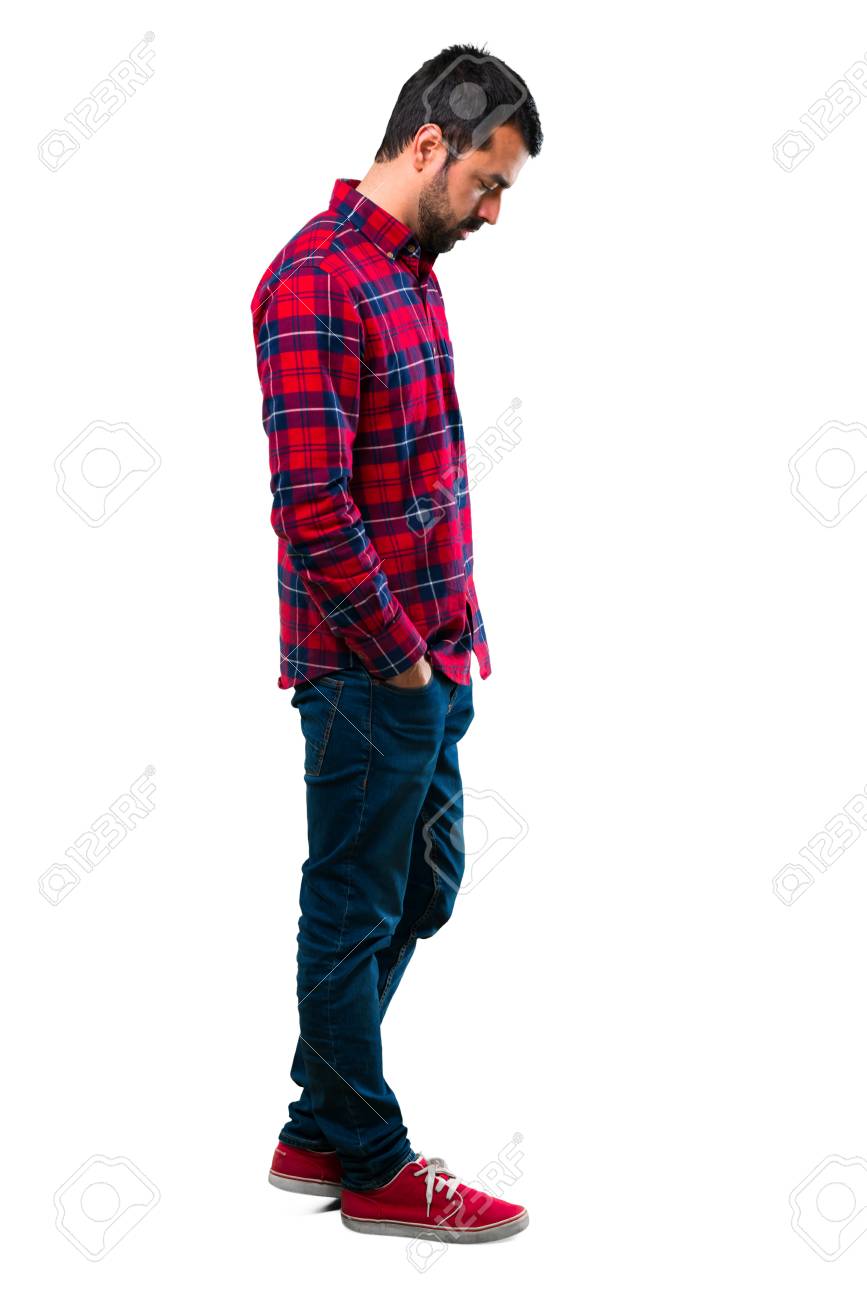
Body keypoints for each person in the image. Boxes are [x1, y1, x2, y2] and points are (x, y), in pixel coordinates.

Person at [250, 42, 542, 1243]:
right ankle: (370, 1159)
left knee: (424, 886)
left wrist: (450, 647)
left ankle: (317, 1121)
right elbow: (314, 510)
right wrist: (403, 663)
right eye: (487, 182)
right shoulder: (314, 282)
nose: (492, 211)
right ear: (430, 144)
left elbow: (419, 473)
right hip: (367, 670)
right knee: (354, 902)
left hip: (434, 653)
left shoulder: (408, 271)